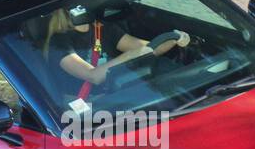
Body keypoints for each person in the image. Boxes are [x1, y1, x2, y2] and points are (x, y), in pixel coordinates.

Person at [41, 7, 189, 98]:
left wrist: (175, 38)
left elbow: (150, 49)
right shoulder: (58, 43)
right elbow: (93, 76)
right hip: (86, 105)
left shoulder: (102, 29)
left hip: (117, 93)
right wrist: (130, 56)